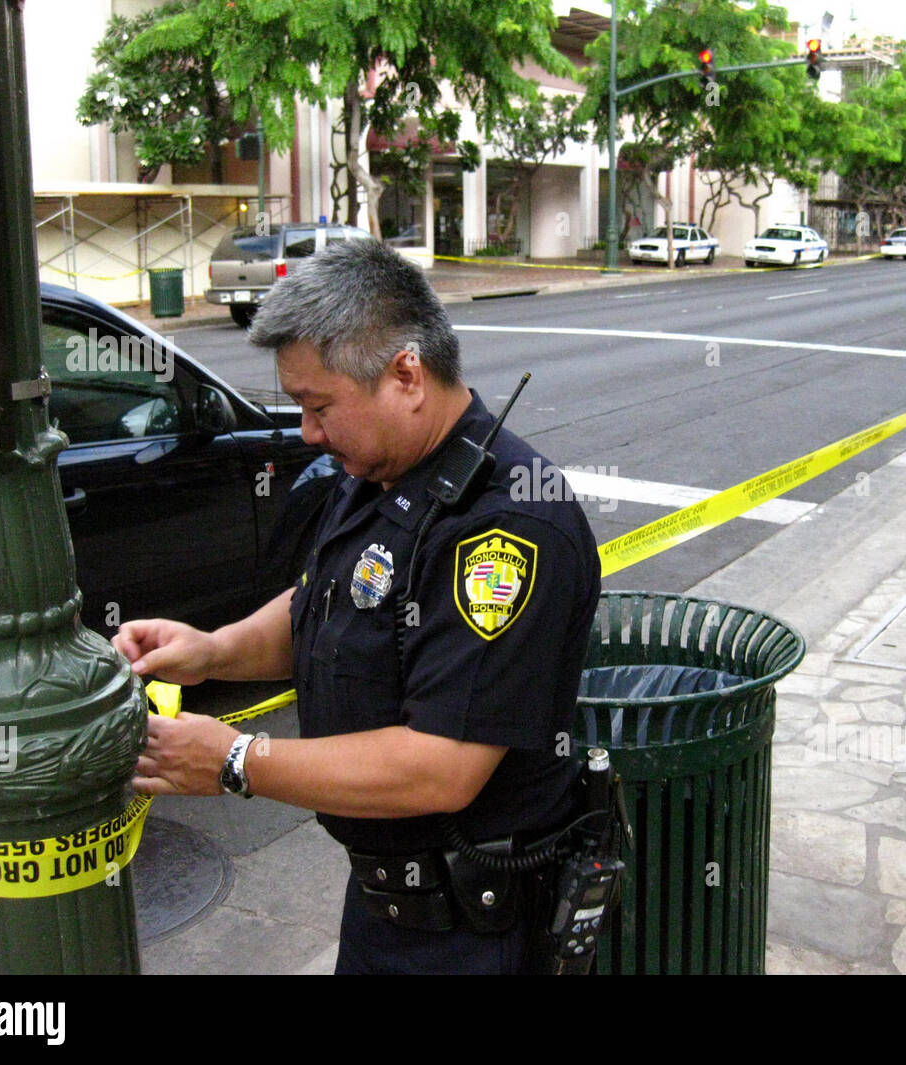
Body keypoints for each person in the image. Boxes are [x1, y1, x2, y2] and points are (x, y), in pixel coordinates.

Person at [113, 239, 601, 972]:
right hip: (384, 910)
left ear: (406, 373)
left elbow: (441, 766)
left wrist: (238, 759)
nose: (309, 430)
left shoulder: (503, 531)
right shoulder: (376, 469)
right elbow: (328, 602)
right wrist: (212, 649)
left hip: (476, 934)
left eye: (319, 406)